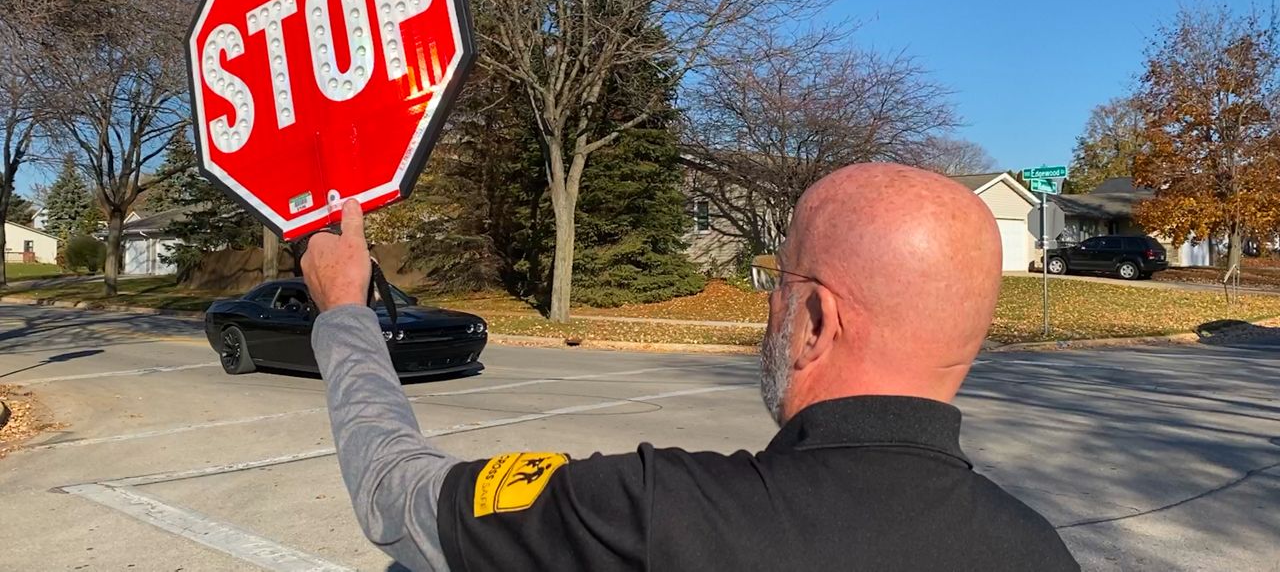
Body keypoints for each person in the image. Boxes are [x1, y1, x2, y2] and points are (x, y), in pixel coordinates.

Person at [303, 163, 1080, 571]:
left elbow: (392, 495)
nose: (769, 309)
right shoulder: (1040, 551)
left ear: (815, 322)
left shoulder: (654, 514)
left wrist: (344, 310)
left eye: (782, 283)